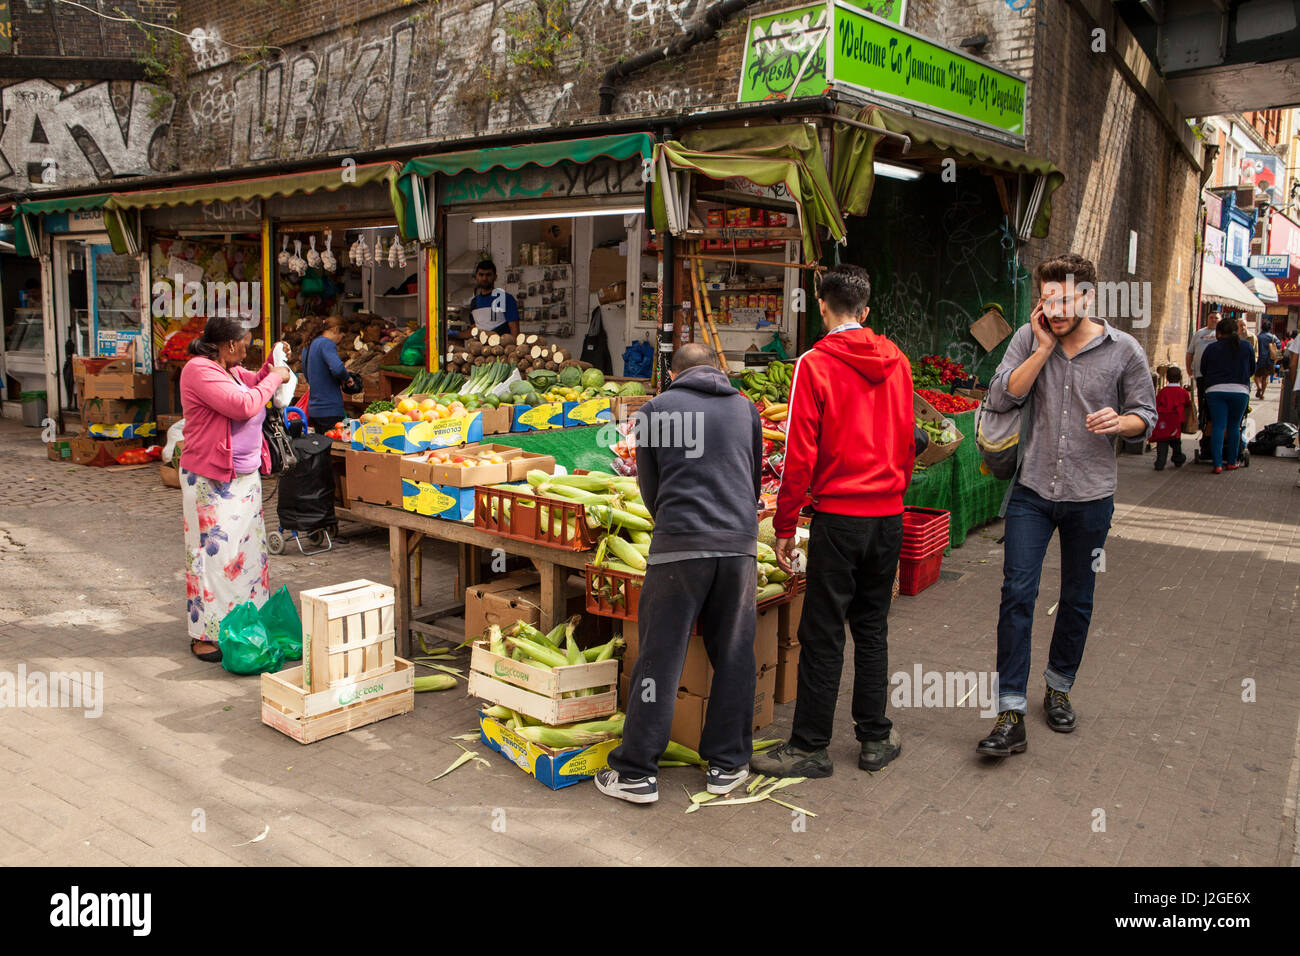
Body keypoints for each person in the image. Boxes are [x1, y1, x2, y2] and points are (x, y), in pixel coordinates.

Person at [977, 253, 1156, 758]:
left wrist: (1121, 423)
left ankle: (1058, 687)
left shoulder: (1124, 351)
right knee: (1017, 594)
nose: (1053, 310)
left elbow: (1148, 413)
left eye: (1063, 301)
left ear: (1088, 298)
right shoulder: (1027, 337)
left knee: (1077, 597)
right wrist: (1042, 347)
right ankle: (1010, 712)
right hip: (1031, 491)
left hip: (1091, 495)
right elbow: (1002, 397)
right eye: (1045, 300)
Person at [749, 264, 916, 780]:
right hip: (888, 517)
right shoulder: (899, 361)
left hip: (839, 520)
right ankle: (875, 739)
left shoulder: (814, 364)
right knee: (872, 629)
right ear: (866, 311)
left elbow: (799, 453)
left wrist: (784, 526)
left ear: (821, 306)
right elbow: (909, 442)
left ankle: (810, 747)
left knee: (822, 633)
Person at [595, 343, 763, 804]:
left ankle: (636, 774)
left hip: (678, 549)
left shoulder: (656, 410)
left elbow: (650, 488)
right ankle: (727, 766)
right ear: (719, 369)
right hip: (738, 547)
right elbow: (751, 483)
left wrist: (674, 521)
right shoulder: (746, 408)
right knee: (734, 654)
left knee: (660, 657)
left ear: (673, 373)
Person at [179, 317, 292, 662]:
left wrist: (275, 362)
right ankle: (206, 635)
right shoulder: (199, 370)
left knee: (247, 557)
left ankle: (244, 623)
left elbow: (255, 384)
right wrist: (276, 377)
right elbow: (243, 404)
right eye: (246, 343)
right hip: (211, 483)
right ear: (229, 345)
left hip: (245, 480)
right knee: (213, 559)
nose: (248, 349)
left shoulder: (231, 370)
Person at [1200, 315, 1254, 474]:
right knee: (1234, 427)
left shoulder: (1211, 348)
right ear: (1235, 331)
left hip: (1215, 391)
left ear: (1218, 332)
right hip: (1240, 391)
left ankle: (1217, 464)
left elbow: (1204, 370)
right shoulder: (1246, 346)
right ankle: (1232, 461)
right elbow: (1252, 369)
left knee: (1218, 426)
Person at [302, 316, 357, 434]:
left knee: (321, 445)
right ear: (336, 329)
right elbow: (337, 368)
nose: (340, 340)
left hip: (314, 409)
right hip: (330, 408)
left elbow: (305, 371)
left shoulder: (310, 344)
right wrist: (347, 378)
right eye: (342, 336)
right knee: (334, 445)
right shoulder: (326, 343)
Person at [459, 259, 519, 339]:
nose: (484, 278)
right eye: (481, 275)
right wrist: (453, 334)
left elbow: (515, 331)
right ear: (476, 277)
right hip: (479, 349)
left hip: (501, 349)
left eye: (488, 275)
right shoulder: (474, 302)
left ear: (495, 277)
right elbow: (473, 331)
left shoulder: (505, 298)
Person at [1150, 366, 1190, 470]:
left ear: (1167, 378)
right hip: (1176, 421)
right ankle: (1178, 458)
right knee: (1176, 440)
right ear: (1180, 378)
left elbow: (1157, 403)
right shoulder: (1183, 392)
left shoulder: (1163, 391)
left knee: (1162, 440)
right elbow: (1187, 404)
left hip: (1163, 420)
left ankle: (1160, 462)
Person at [1186, 312, 1218, 433]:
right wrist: (1188, 368)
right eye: (1211, 318)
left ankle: (1210, 420)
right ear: (1207, 319)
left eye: (1216, 318)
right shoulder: (1199, 334)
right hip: (1200, 373)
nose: (1214, 320)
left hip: (1216, 375)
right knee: (1201, 397)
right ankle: (1201, 420)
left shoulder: (1221, 334)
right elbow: (1190, 352)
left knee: (1212, 398)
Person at [1254, 320, 1281, 400]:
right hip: (1269, 360)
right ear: (1270, 328)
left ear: (1262, 328)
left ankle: (1259, 387)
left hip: (1259, 360)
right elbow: (1279, 345)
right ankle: (1262, 394)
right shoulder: (1273, 337)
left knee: (1256, 376)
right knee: (1265, 378)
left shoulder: (1258, 337)